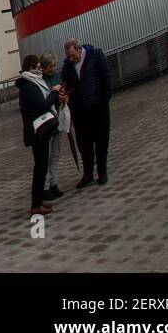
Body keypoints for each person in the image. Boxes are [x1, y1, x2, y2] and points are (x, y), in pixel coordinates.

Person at [62, 37, 113, 187]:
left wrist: (105, 98)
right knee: (84, 144)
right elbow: (67, 86)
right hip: (80, 111)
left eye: (73, 55)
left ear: (79, 49)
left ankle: (102, 171)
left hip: (98, 106)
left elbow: (106, 77)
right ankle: (88, 173)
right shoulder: (67, 67)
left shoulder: (95, 55)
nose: (71, 59)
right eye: (68, 57)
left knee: (101, 139)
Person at [17, 54, 63, 216]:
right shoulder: (29, 86)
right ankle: (35, 206)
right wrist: (54, 94)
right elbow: (41, 105)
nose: (39, 70)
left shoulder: (32, 83)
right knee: (40, 168)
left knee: (41, 167)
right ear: (30, 68)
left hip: (40, 130)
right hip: (38, 132)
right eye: (37, 67)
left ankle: (38, 202)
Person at [40, 52, 69, 200]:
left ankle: (54, 183)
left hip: (58, 117)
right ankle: (44, 187)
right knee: (47, 155)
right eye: (50, 66)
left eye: (54, 66)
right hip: (47, 121)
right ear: (43, 67)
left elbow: (65, 92)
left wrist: (64, 96)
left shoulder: (58, 76)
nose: (53, 69)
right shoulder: (41, 81)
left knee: (55, 154)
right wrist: (54, 93)